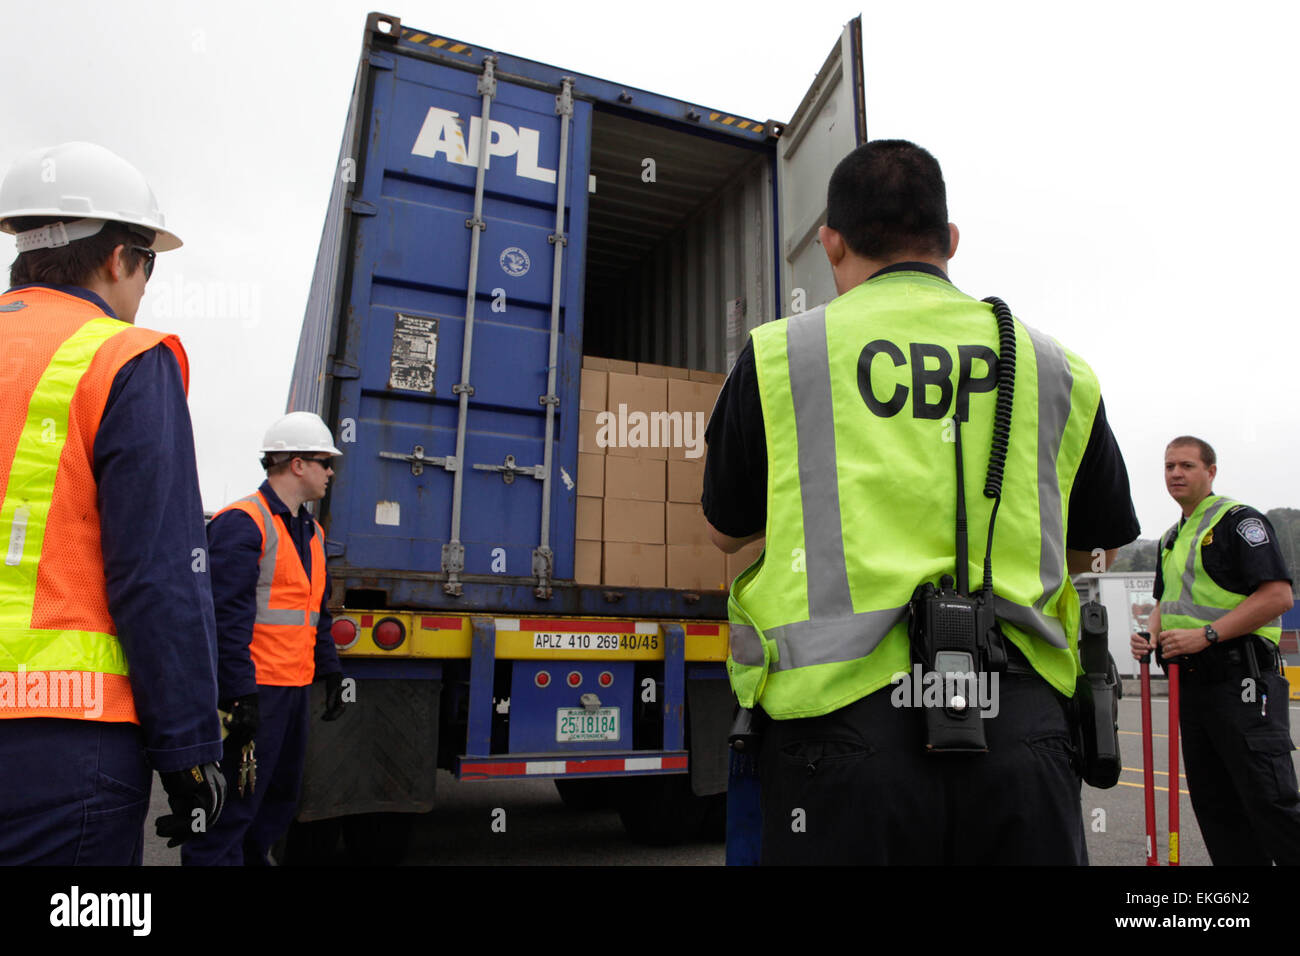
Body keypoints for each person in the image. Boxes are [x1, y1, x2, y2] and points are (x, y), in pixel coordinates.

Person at [703, 139, 1140, 865]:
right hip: (1024, 729)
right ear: (951, 242)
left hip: (838, 735)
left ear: (831, 242)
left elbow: (726, 532)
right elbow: (1095, 546)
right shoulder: (1056, 367)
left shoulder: (782, 355)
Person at [0, 141, 225, 864]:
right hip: (59, 744)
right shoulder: (123, 358)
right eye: (149, 262)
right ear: (117, 258)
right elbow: (159, 574)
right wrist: (190, 751)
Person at [183, 411, 348, 865]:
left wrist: (329, 670)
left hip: (291, 693)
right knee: (231, 811)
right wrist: (239, 696)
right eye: (324, 461)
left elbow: (315, 611)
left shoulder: (311, 531)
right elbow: (223, 620)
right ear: (297, 464)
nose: (330, 471)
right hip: (255, 693)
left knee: (277, 806)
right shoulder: (242, 522)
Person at [1130, 436, 1298, 864]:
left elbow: (1277, 596)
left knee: (1272, 802)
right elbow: (1166, 605)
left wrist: (1206, 635)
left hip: (1242, 682)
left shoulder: (1238, 521)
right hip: (1192, 688)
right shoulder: (1170, 538)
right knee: (1218, 812)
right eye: (1169, 467)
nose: (1175, 474)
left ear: (1211, 471)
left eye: (1186, 465)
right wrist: (1149, 634)